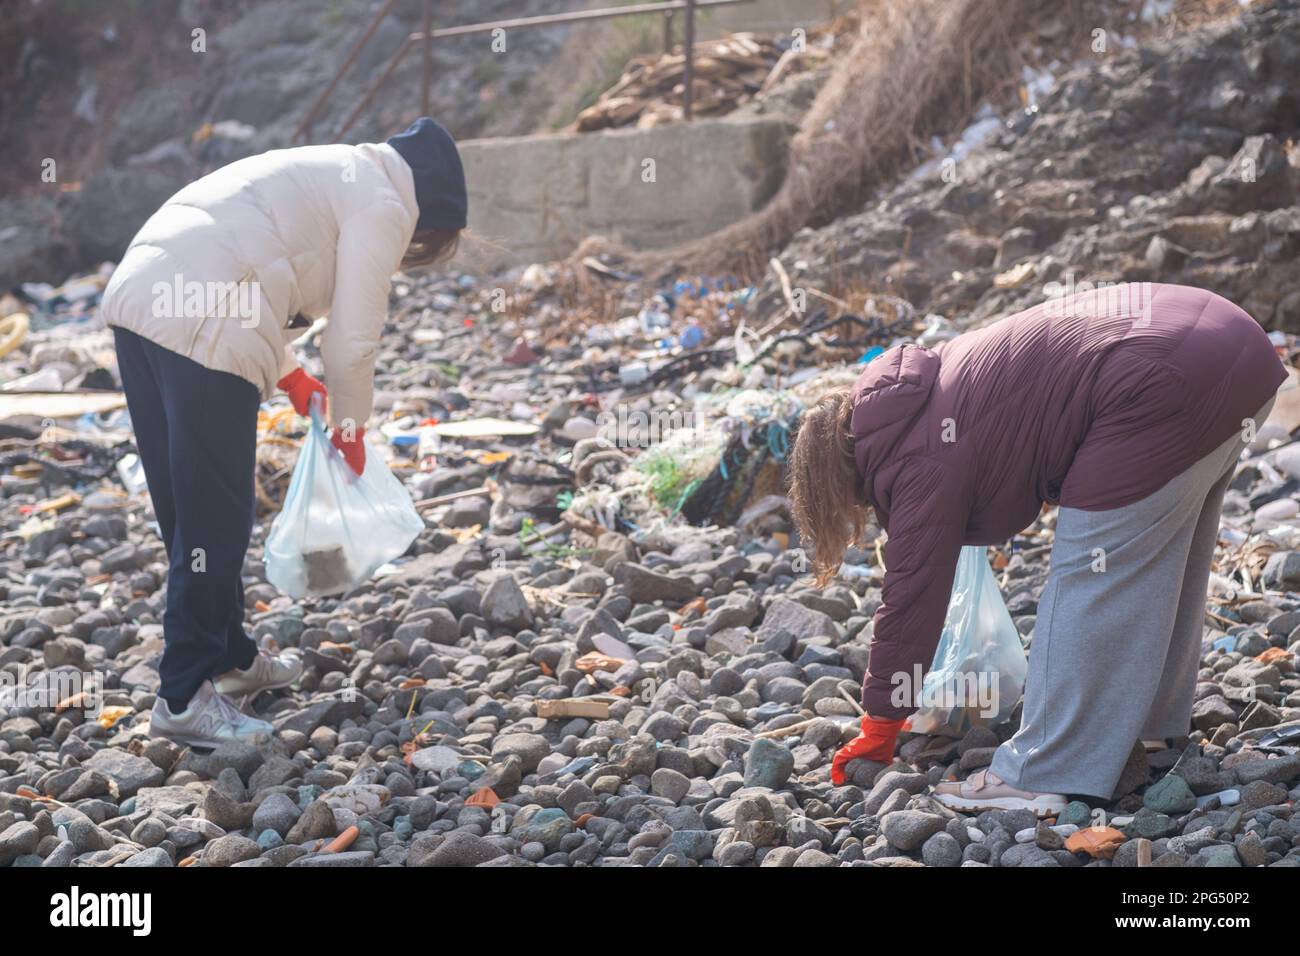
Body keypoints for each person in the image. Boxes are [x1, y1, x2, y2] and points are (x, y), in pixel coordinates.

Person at [787, 282, 1286, 815]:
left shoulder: (914, 458)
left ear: (839, 481)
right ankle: (1148, 728)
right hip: (1239, 354)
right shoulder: (922, 388)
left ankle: (1038, 772)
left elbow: (911, 598)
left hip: (1156, 380)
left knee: (1092, 576)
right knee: (1165, 555)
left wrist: (879, 726)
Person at [99, 117, 467, 748]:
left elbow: (252, 255)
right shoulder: (384, 205)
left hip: (143, 296)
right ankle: (184, 696)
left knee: (189, 510)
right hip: (207, 307)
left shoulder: (340, 167)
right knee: (215, 517)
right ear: (430, 213)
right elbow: (353, 341)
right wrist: (351, 429)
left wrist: (292, 377)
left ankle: (227, 658)